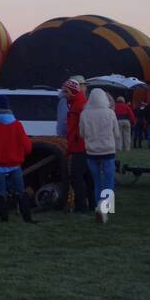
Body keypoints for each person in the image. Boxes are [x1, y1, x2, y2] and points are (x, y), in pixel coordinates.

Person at [0, 95, 36, 223]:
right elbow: (27, 146)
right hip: (14, 163)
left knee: (0, 191)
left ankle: (4, 218)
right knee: (21, 190)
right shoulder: (17, 125)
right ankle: (27, 217)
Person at [80, 87, 122, 223]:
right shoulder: (110, 113)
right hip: (108, 151)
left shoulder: (84, 114)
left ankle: (99, 206)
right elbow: (116, 133)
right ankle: (105, 208)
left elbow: (82, 134)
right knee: (109, 181)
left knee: (97, 181)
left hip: (91, 152)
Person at [62, 78, 91, 213]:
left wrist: (72, 146)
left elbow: (76, 130)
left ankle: (82, 206)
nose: (63, 94)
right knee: (96, 178)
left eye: (66, 91)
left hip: (81, 147)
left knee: (77, 176)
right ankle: (102, 208)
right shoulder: (79, 104)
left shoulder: (78, 106)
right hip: (99, 149)